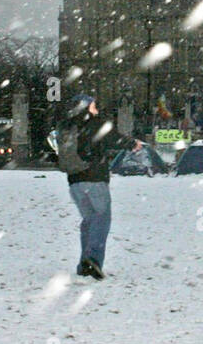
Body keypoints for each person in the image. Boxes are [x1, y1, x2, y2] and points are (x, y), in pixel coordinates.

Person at [58, 94, 141, 280]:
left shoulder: (66, 125)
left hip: (74, 181)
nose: (96, 108)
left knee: (89, 220)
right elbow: (114, 138)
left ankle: (84, 264)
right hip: (94, 178)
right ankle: (93, 260)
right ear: (85, 107)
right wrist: (132, 143)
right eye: (93, 105)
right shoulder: (94, 124)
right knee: (102, 219)